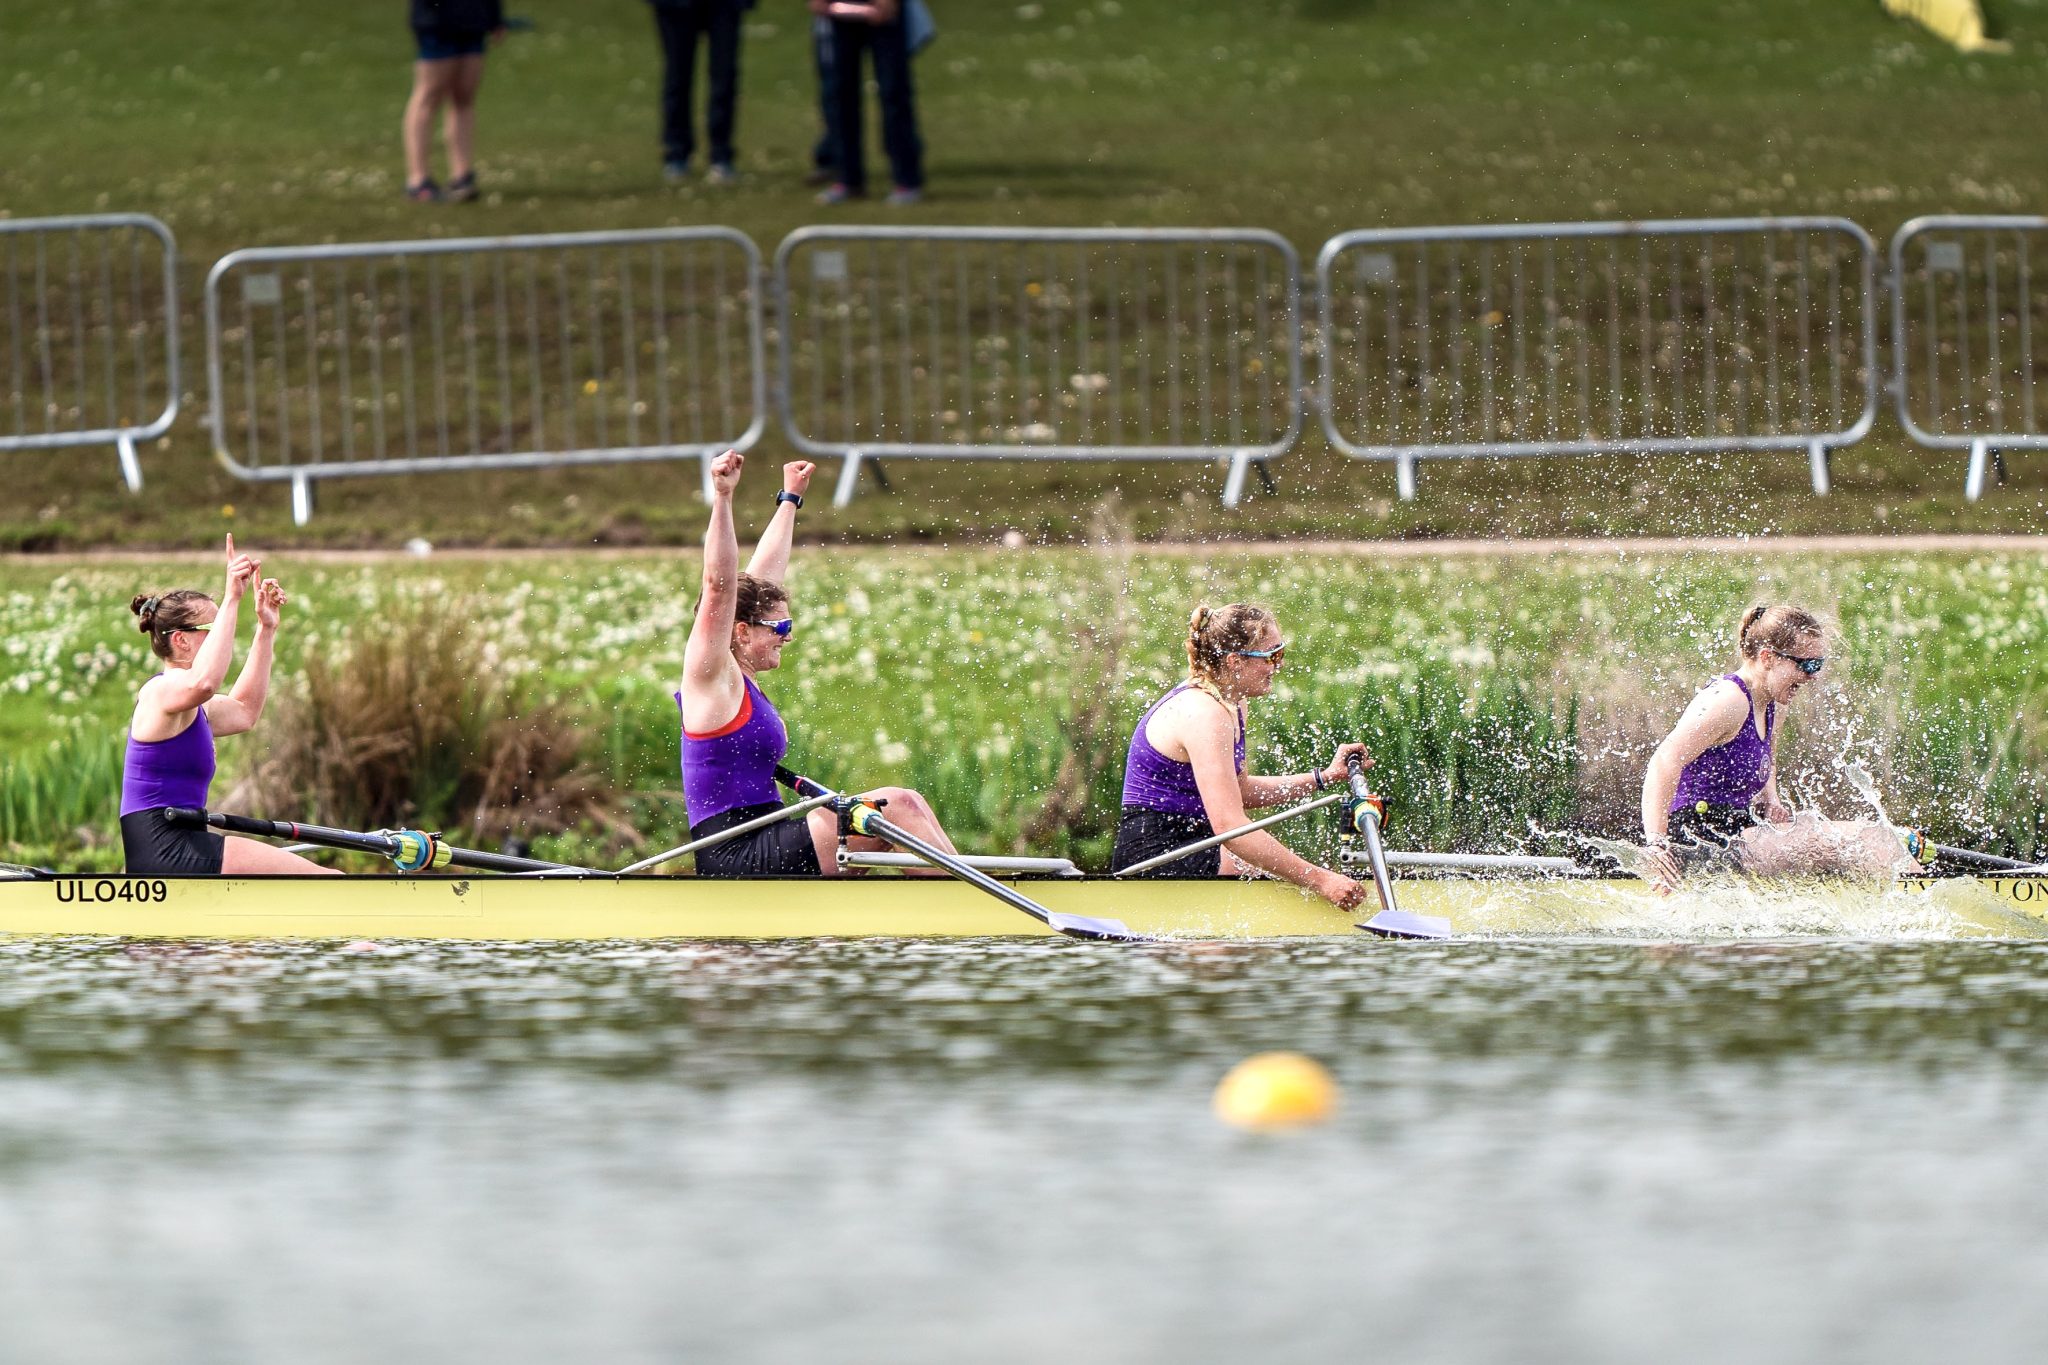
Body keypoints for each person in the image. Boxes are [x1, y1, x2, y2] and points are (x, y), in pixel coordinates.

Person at [679, 450, 962, 875]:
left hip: (767, 836)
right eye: (780, 626)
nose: (788, 635)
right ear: (741, 631)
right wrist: (722, 496)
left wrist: (789, 499)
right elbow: (720, 586)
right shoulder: (712, 680)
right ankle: (975, 911)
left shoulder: (743, 670)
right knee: (897, 804)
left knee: (909, 802)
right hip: (733, 855)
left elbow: (762, 581)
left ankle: (964, 896)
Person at [1109, 603, 1372, 910]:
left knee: (1277, 872)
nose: (1279, 666)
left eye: (1281, 653)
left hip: (1198, 843)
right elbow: (1231, 828)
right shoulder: (1205, 713)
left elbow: (1241, 791)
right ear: (1235, 661)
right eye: (1272, 656)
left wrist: (1323, 777)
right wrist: (1322, 880)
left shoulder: (1232, 702)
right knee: (1275, 874)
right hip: (1155, 858)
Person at [1640, 604, 1907, 887]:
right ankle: (1906, 894)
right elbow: (1664, 761)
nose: (1813, 675)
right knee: (1868, 839)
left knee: (1863, 839)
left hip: (1735, 830)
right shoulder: (1727, 701)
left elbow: (1767, 760)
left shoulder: (1773, 703)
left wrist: (1771, 800)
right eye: (1806, 664)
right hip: (1695, 837)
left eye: (1818, 665)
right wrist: (1657, 844)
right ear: (1768, 657)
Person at [121, 536, 334, 876]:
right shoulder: (160, 694)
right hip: (164, 848)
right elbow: (205, 683)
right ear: (181, 640)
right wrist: (233, 597)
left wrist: (266, 628)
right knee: (330, 882)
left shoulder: (194, 708)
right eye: (214, 626)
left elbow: (245, 710)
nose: (225, 632)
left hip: (185, 843)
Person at [811, 0, 924, 205]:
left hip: (885, 10)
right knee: (839, 93)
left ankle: (907, 180)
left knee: (893, 92)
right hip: (837, 12)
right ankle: (847, 179)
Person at [403, 0, 506, 203]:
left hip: (473, 20)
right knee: (429, 94)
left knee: (464, 95)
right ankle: (418, 179)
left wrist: (495, 17)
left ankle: (462, 176)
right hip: (436, 20)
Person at [650, 0, 753, 185]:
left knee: (724, 76)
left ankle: (721, 155)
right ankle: (677, 154)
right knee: (677, 75)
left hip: (724, 5)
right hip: (675, 6)